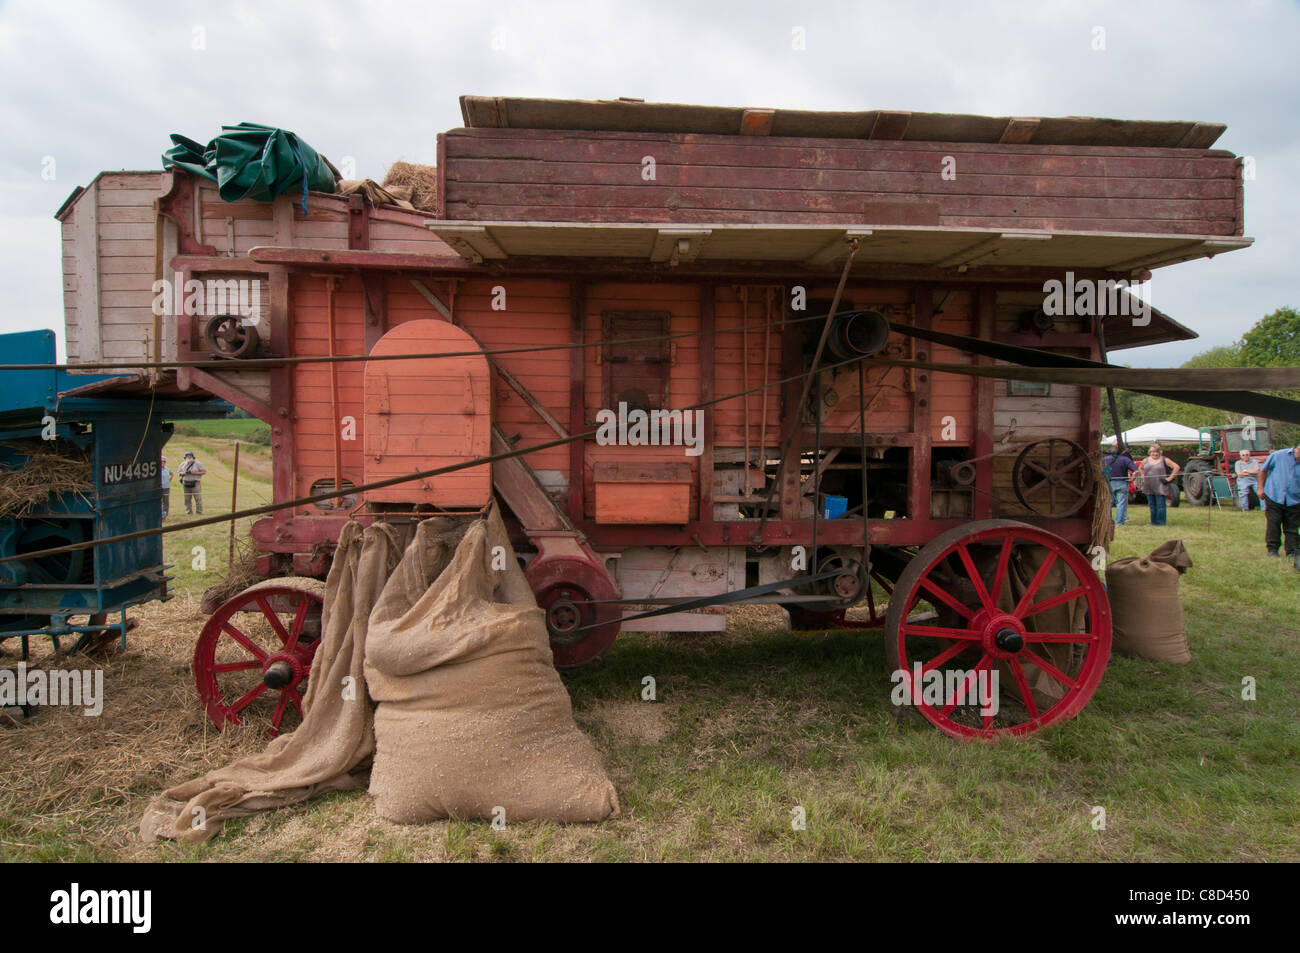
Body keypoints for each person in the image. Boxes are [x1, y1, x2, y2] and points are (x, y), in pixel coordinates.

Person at [1259, 444, 1300, 568]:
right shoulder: (1278, 455)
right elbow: (1262, 470)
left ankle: (1292, 551)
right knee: (1274, 523)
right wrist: (1260, 488)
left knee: (1292, 527)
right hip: (1274, 495)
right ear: (1297, 448)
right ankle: (1272, 550)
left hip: (1295, 499)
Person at [1138, 444, 1180, 527]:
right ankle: (1153, 522)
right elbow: (1140, 467)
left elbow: (1176, 467)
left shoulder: (1165, 460)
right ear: (1150, 452)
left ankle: (1161, 523)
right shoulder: (1145, 460)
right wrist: (1143, 476)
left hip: (1160, 486)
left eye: (1157, 452)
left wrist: (1169, 478)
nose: (1155, 453)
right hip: (1148, 486)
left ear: (1160, 452)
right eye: (1153, 452)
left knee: (1160, 506)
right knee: (1152, 505)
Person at [1105, 444, 1137, 526]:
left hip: (1109, 483)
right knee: (1121, 504)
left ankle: (1108, 522)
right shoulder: (1125, 459)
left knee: (1108, 504)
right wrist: (1132, 479)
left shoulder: (1105, 459)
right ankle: (1119, 523)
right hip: (1122, 483)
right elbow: (1136, 471)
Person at [178, 451, 207, 515]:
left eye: (190, 456)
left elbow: (204, 472)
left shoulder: (198, 463)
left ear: (193, 457)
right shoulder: (182, 464)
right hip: (186, 483)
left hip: (196, 483)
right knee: (187, 499)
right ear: (185, 457)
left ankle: (199, 512)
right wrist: (183, 473)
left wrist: (195, 473)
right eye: (187, 456)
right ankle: (189, 512)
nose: (189, 457)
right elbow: (179, 473)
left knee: (198, 498)